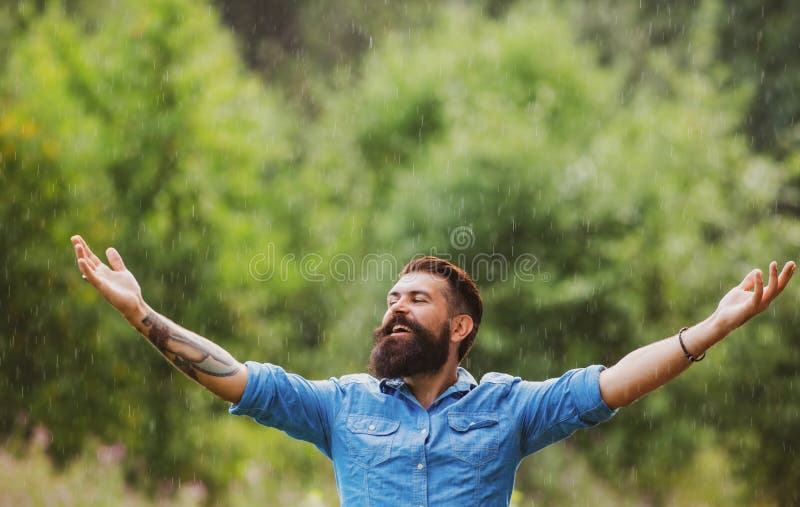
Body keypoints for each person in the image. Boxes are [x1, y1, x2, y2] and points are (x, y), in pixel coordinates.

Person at [70, 234, 795, 506]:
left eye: (415, 299)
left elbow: (615, 380)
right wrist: (143, 314)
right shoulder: (339, 405)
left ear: (458, 327)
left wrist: (713, 326)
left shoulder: (511, 408)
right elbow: (235, 376)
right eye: (390, 297)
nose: (394, 309)